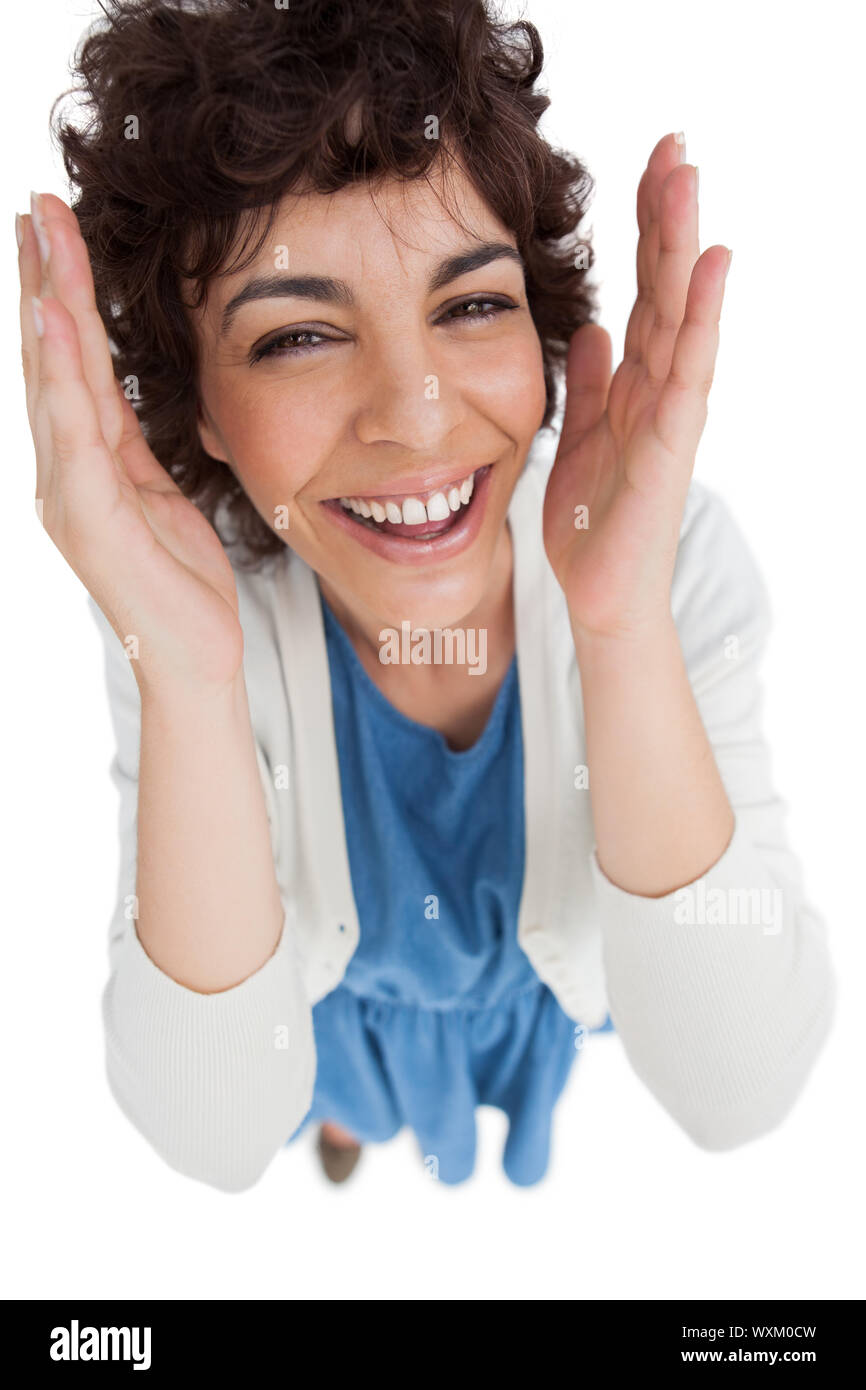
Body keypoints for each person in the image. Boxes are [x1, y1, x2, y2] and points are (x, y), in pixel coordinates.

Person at [18, 0, 834, 1191]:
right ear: (197, 409)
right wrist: (187, 681)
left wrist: (619, 627)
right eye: (297, 336)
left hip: (530, 1001)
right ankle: (352, 1114)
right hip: (321, 1010)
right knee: (324, 1088)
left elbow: (736, 1086)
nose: (417, 414)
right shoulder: (195, 597)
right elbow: (213, 1131)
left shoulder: (673, 555)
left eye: (470, 305)